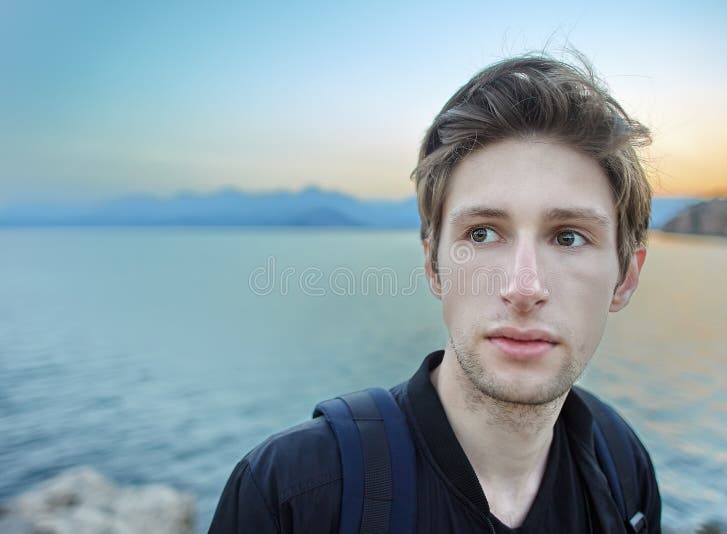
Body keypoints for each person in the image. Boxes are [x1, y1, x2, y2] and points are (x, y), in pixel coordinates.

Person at [210, 52, 661, 533]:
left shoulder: (621, 466)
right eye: (483, 234)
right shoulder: (293, 494)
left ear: (625, 277)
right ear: (433, 264)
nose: (523, 288)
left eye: (568, 237)